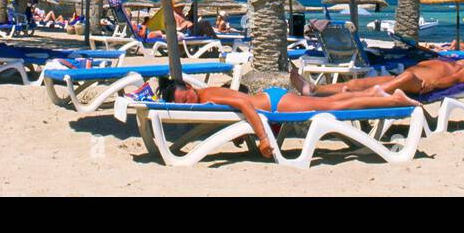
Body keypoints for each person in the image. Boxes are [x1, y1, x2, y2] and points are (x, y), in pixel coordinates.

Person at [159, 77, 419, 159]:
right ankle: (378, 94)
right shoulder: (203, 98)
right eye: (182, 104)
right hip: (272, 101)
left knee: (332, 106)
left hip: (275, 102)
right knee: (332, 104)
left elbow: (243, 103)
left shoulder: (207, 94)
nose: (188, 103)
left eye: (186, 98)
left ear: (190, 89)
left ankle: (388, 98)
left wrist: (262, 137)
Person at [290, 57, 464, 97]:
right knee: (355, 82)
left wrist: (434, 83)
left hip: (418, 84)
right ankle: (314, 90)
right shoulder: (444, 60)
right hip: (402, 78)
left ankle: (371, 95)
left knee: (406, 76)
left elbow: (455, 81)